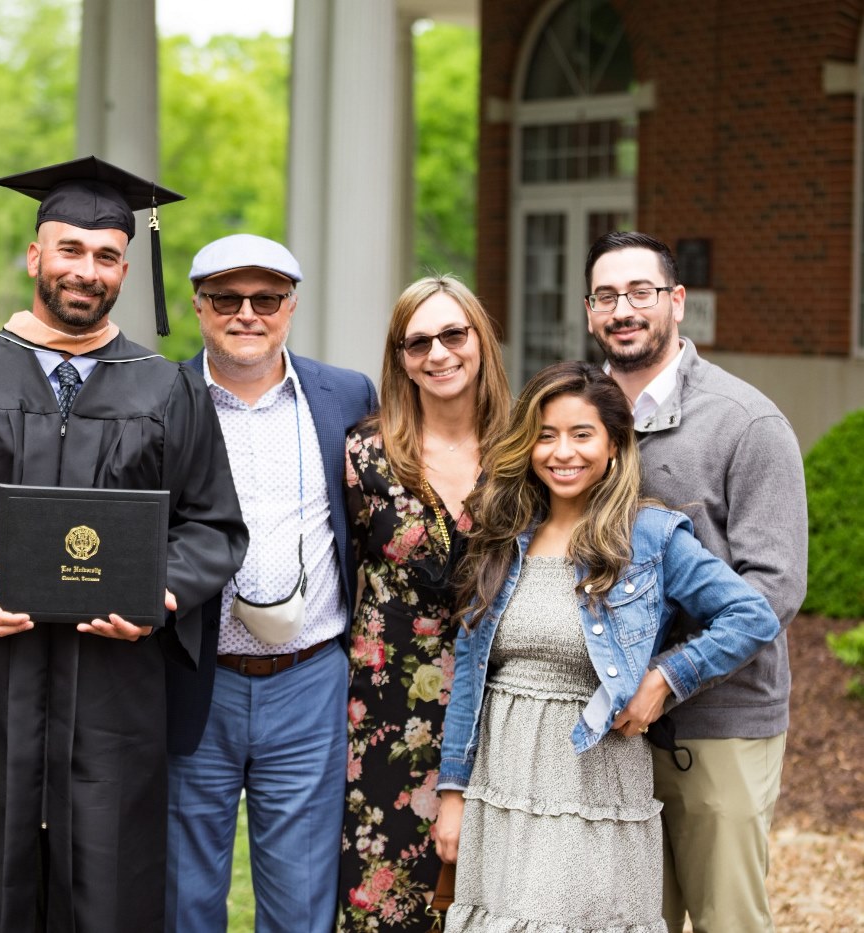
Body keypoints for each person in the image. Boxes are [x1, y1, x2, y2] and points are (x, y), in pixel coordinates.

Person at [0, 156, 248, 933]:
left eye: (107, 255)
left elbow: (213, 524)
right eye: (70, 250)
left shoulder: (168, 388)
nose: (87, 271)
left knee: (107, 885)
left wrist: (158, 588)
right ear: (34, 256)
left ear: (125, 265)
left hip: (113, 685)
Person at [431, 361, 782, 932]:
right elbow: (471, 674)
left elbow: (750, 614)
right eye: (545, 435)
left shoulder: (649, 536)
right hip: (503, 776)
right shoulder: (502, 534)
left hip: (593, 777)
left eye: (581, 434)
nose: (561, 452)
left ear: (614, 446)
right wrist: (454, 790)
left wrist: (666, 679)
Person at [584, 232, 808, 932]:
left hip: (718, 728)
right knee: (623, 919)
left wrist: (666, 677)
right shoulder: (573, 422)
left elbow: (773, 587)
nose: (623, 309)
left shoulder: (745, 424)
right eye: (606, 296)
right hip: (609, 734)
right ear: (590, 311)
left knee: (726, 921)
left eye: (640, 293)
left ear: (675, 302)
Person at [163, 234, 376, 932]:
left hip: (307, 681)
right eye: (226, 298)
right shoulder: (158, 398)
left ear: (290, 306)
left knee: (300, 898)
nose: (246, 313)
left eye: (266, 298)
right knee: (184, 894)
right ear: (198, 306)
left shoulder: (344, 395)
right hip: (195, 676)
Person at [337, 276, 509, 930]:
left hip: (500, 700)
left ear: (479, 340)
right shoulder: (366, 452)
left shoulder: (526, 449)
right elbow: (344, 569)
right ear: (400, 358)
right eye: (417, 342)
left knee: (496, 901)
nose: (437, 353)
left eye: (452, 334)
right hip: (386, 710)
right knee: (384, 903)